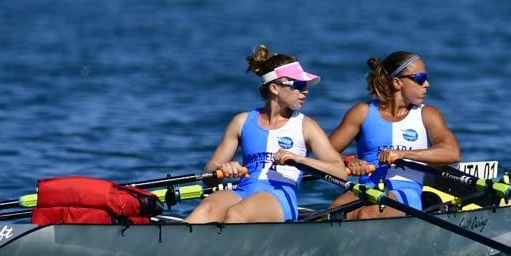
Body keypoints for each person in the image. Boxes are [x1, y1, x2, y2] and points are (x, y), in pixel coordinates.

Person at [186, 45, 348, 224]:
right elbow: (209, 174)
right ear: (275, 88)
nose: (305, 91)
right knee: (206, 208)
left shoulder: (306, 126)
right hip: (243, 190)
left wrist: (298, 160)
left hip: (279, 197)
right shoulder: (241, 122)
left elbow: (339, 172)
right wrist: (222, 171)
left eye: (305, 86)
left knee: (237, 213)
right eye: (299, 85)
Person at [327, 52, 461, 219]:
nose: (427, 84)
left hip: (406, 191)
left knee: (367, 214)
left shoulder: (428, 114)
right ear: (397, 83)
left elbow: (452, 153)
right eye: (420, 78)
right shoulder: (362, 112)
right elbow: (324, 152)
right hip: (366, 188)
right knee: (331, 215)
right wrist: (349, 160)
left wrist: (402, 154)